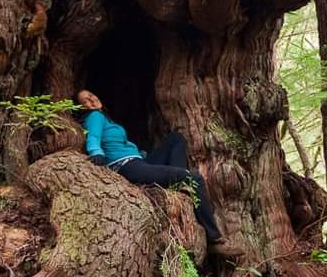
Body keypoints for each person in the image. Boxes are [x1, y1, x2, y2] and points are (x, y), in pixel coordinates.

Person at [76, 89, 223, 244]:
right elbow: (93, 137)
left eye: (91, 95)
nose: (91, 100)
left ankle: (177, 185)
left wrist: (140, 153)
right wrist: (96, 152)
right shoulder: (95, 117)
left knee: (175, 139)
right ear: (82, 108)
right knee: (195, 179)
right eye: (85, 100)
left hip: (138, 161)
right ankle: (214, 237)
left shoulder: (106, 119)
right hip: (127, 166)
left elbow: (119, 144)